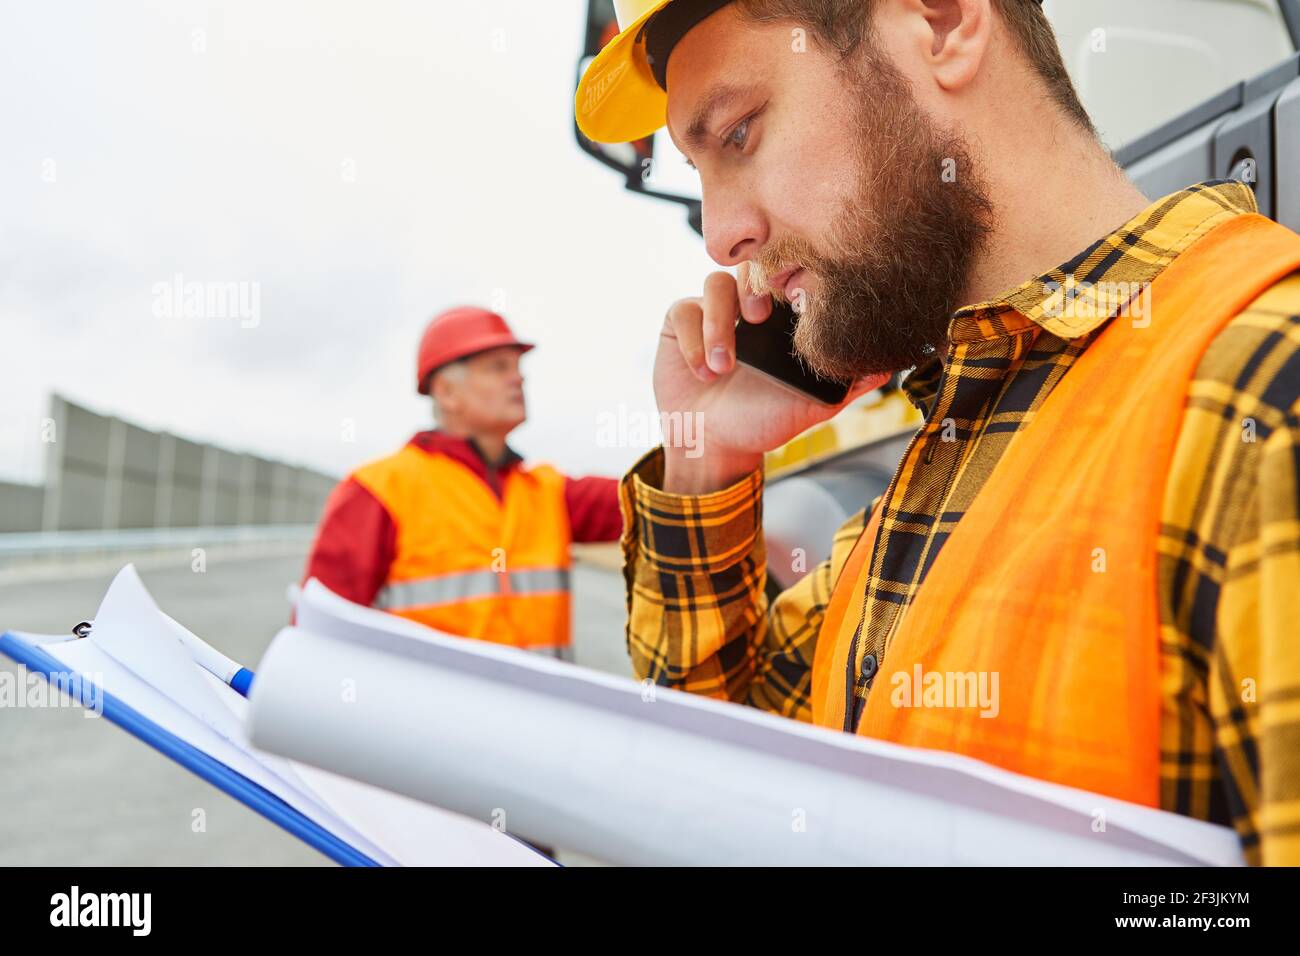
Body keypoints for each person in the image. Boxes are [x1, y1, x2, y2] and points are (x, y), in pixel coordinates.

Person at [576, 0, 1300, 864]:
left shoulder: (1265, 396)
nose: (724, 234)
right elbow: (715, 799)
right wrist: (704, 462)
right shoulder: (922, 492)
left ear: (946, 23)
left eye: (737, 134)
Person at [303, 306, 622, 657]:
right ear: (446, 392)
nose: (518, 379)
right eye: (498, 367)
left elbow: (661, 494)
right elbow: (318, 640)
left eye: (517, 367)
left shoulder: (549, 492)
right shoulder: (379, 490)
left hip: (543, 712)